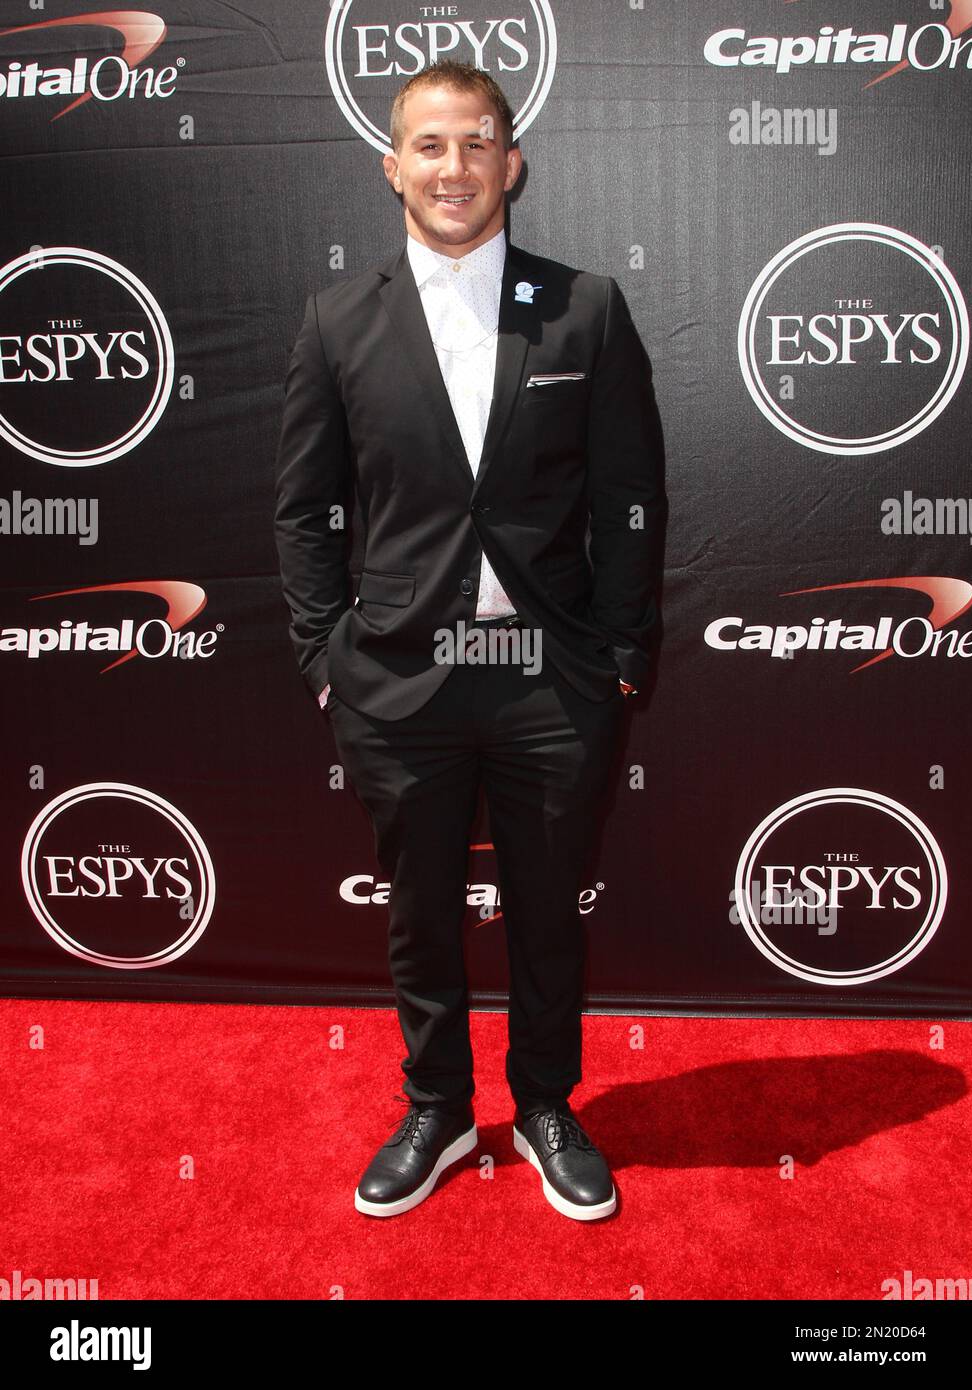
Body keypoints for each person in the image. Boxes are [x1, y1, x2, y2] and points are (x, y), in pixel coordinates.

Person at [274, 59, 666, 1222]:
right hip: (400, 675)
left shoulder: (586, 307)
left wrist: (621, 654)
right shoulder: (337, 320)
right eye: (430, 146)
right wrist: (323, 655)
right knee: (418, 910)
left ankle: (545, 1105)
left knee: (549, 910)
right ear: (392, 165)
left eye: (477, 142)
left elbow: (632, 496)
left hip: (552, 676)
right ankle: (438, 1108)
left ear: (513, 162)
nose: (455, 167)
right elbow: (304, 510)